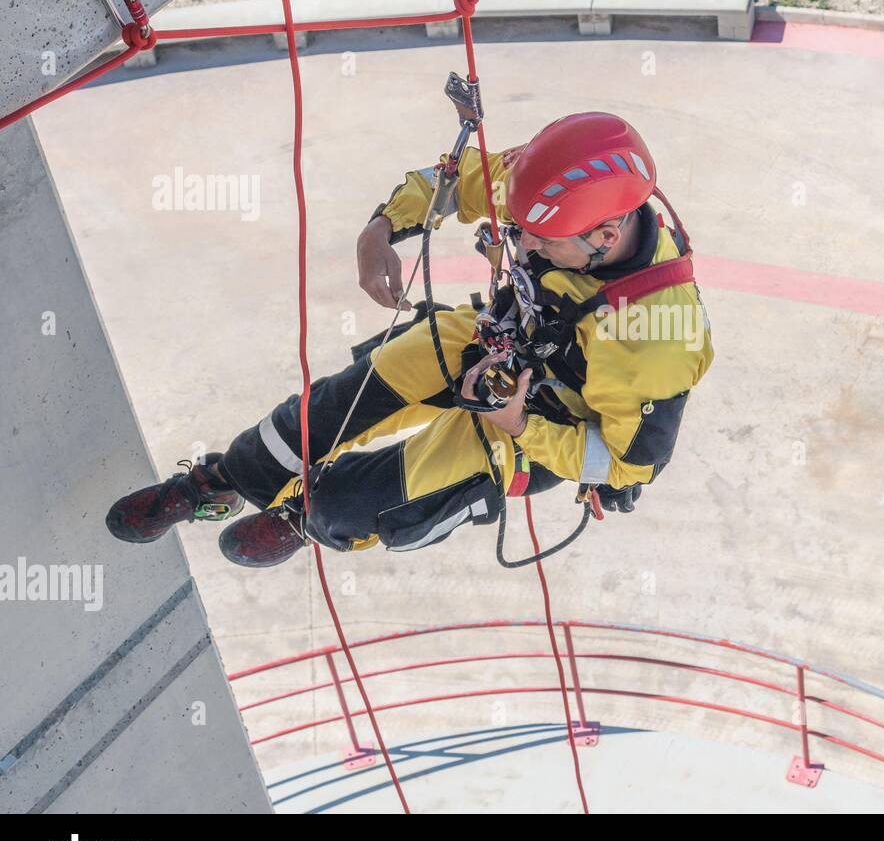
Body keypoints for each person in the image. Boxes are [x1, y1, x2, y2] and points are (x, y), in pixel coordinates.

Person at [105, 112, 714, 567]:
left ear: (606, 235)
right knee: (322, 414)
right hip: (492, 341)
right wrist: (380, 229)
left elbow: (627, 464)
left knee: (350, 509)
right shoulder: (543, 189)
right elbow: (450, 180)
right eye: (521, 230)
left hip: (542, 425)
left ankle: (305, 512)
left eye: (541, 243)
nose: (522, 247)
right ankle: (224, 482)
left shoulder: (654, 339)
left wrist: (518, 424)